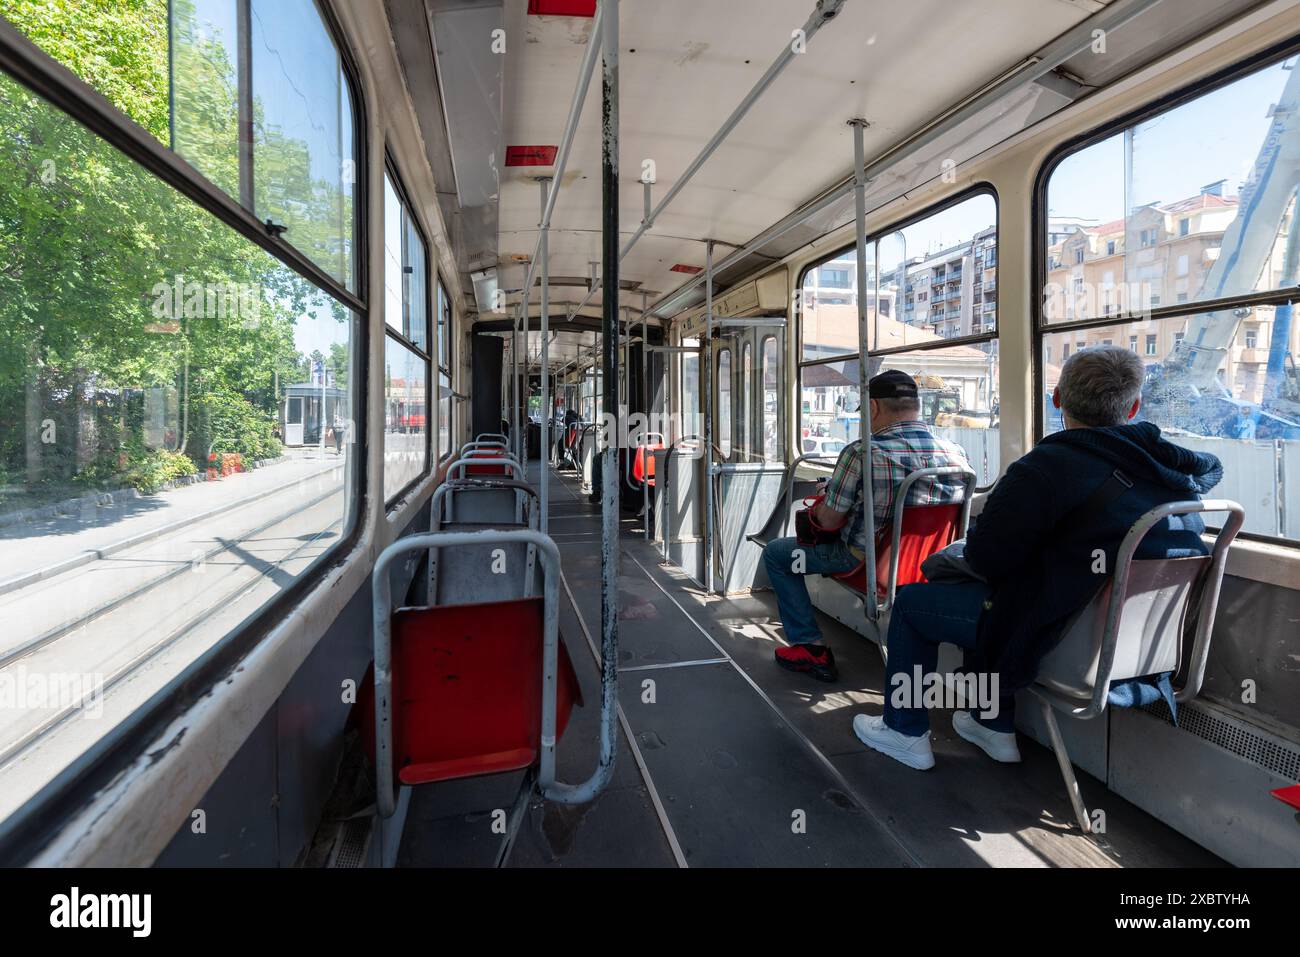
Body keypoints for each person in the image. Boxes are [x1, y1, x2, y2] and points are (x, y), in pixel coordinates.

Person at [852, 346, 1222, 771]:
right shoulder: (1176, 479)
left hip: (1061, 641)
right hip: (1140, 652)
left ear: (1058, 398)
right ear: (1135, 406)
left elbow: (989, 557)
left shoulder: (1044, 468)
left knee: (918, 604)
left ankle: (904, 731)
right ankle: (990, 723)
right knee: (1022, 591)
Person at [763, 369, 973, 682]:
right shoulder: (956, 454)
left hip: (862, 564)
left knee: (778, 554)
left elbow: (828, 521)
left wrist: (830, 495)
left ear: (873, 408)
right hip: (931, 567)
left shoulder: (862, 452)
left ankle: (810, 647)